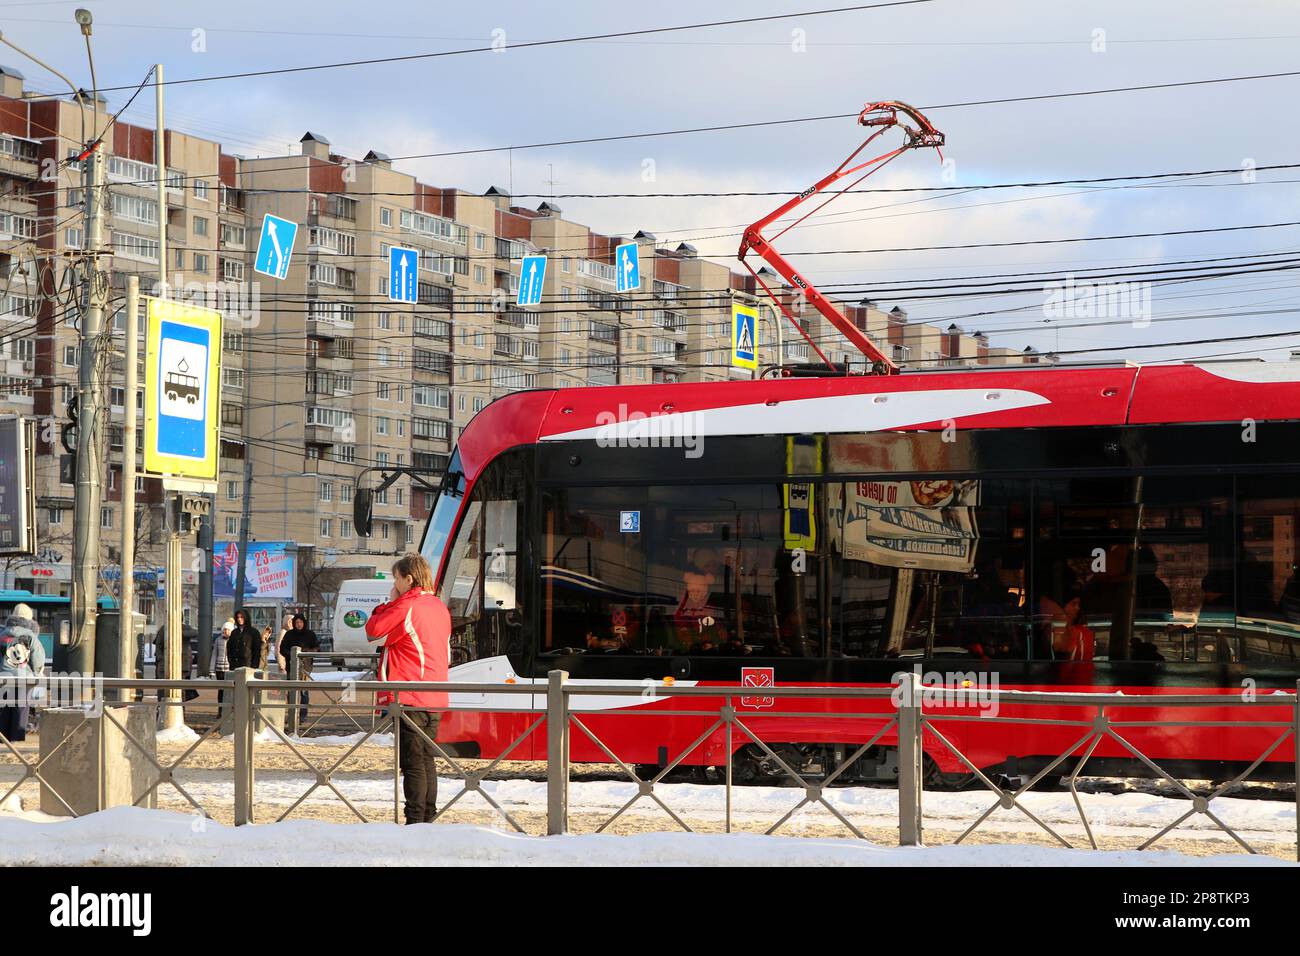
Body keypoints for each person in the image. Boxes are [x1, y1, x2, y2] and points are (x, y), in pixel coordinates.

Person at [365, 553, 451, 825]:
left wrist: (385, 605)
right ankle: (427, 817)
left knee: (412, 763)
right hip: (434, 693)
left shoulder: (407, 605)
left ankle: (415, 821)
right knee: (426, 760)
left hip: (409, 694)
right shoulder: (438, 606)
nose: (395, 583)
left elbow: (373, 630)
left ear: (408, 579)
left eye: (396, 578)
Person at [0, 604, 44, 743]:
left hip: (3, 679)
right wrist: (36, 674)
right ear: (29, 619)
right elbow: (38, 660)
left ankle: (3, 741)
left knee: (4, 710)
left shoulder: (2, 635)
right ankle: (17, 742)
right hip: (23, 680)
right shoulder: (30, 636)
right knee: (20, 711)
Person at [277, 614, 320, 725]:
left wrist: (307, 653)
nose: (299, 624)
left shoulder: (310, 634)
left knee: (304, 692)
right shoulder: (289, 634)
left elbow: (317, 648)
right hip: (291, 666)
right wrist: (291, 655)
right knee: (291, 692)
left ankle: (303, 715)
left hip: (305, 667)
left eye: (301, 622)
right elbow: (282, 649)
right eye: (297, 623)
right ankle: (291, 715)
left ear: (304, 623)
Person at [211, 619, 233, 707]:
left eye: (227, 629)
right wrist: (211, 670)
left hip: (228, 668)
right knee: (220, 690)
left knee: (229, 690)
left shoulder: (233, 640)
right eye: (224, 629)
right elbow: (214, 655)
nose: (225, 631)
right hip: (219, 669)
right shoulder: (218, 640)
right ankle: (220, 710)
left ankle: (227, 709)